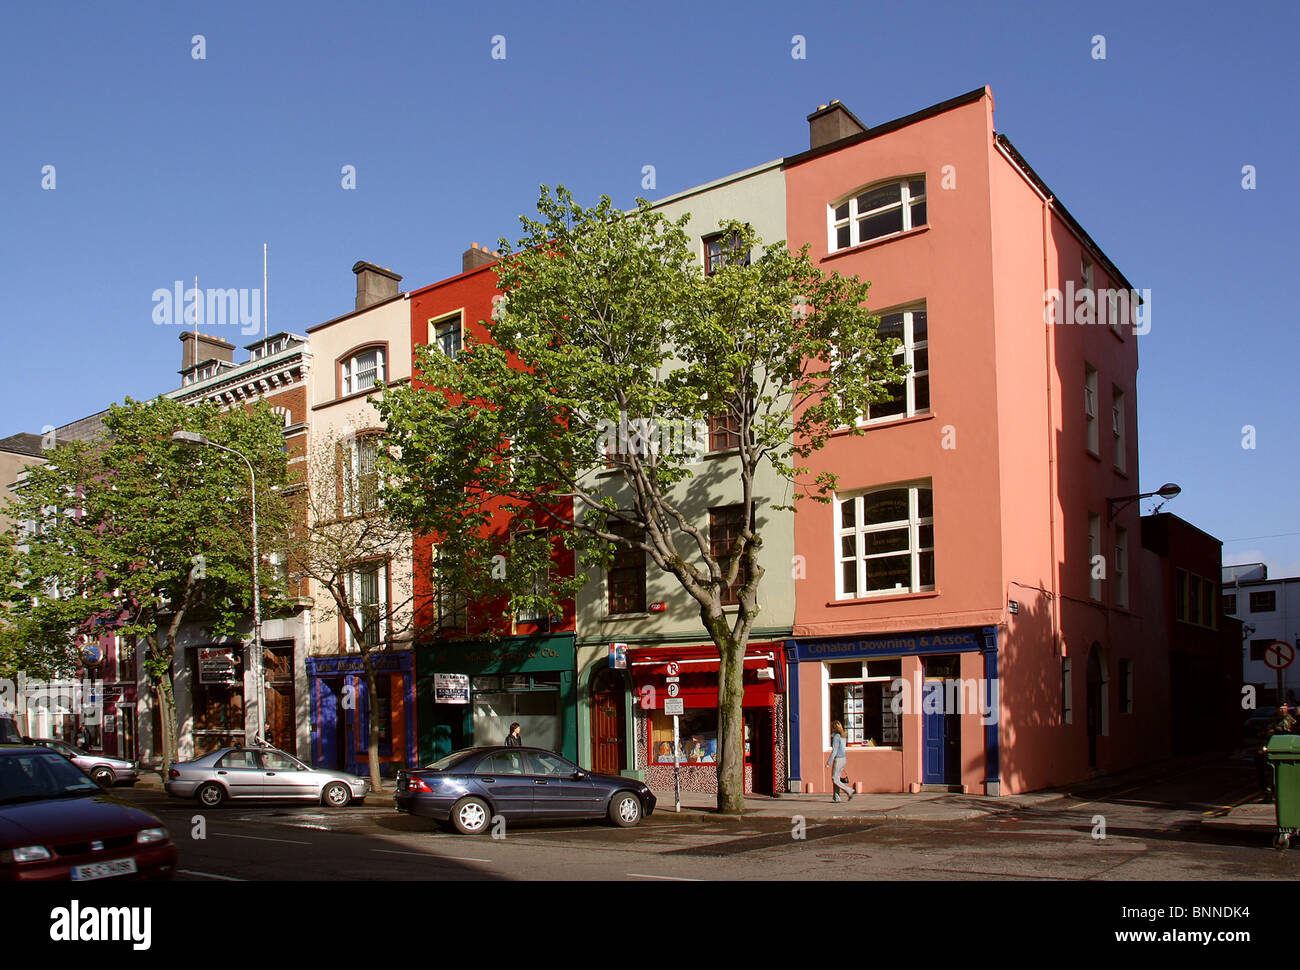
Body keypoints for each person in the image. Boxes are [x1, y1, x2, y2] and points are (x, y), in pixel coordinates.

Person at [1258, 704, 1296, 801]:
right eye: (1280, 708)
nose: (1282, 710)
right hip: (1275, 749)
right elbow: (1263, 734)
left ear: (1287, 708)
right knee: (1270, 772)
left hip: (1290, 750)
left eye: (1284, 708)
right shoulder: (1272, 721)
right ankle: (1269, 793)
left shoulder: (1293, 720)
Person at [827, 720, 854, 802]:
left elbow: (834, 751)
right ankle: (836, 798)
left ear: (834, 728)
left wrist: (829, 762)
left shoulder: (836, 737)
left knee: (834, 779)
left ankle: (849, 790)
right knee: (837, 778)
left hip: (838, 759)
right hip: (843, 759)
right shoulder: (843, 736)